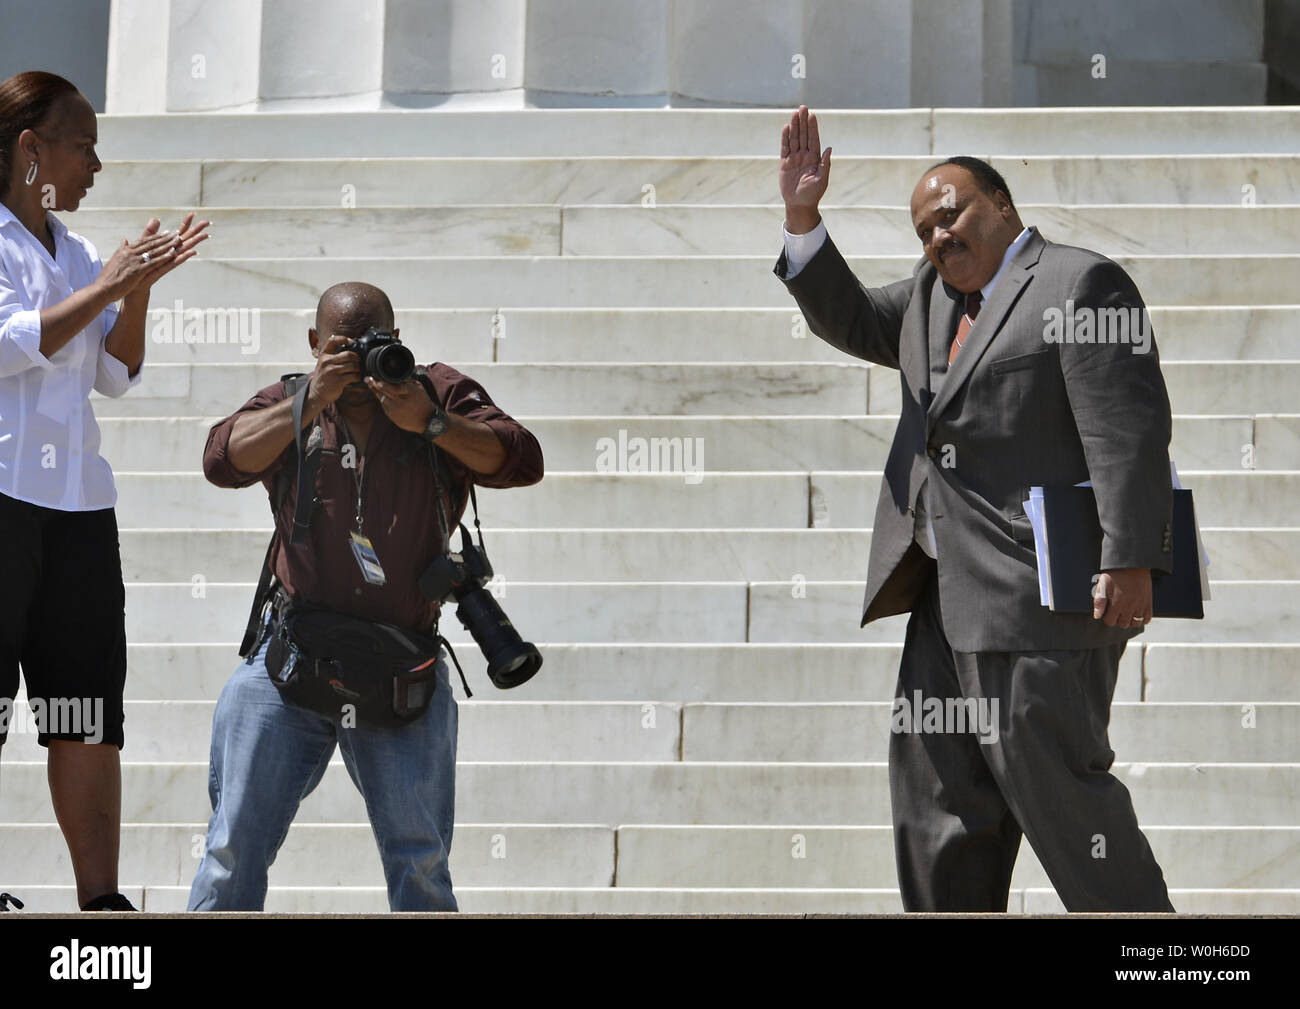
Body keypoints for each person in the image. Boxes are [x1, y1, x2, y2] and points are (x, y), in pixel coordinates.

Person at [774, 106, 1176, 912]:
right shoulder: (929, 299)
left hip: (1040, 602)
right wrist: (802, 218)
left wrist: (1131, 558)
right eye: (923, 229)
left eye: (950, 213)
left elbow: (1127, 433)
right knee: (937, 805)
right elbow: (850, 315)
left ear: (1002, 205)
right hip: (941, 599)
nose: (937, 237)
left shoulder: (1079, 283)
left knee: (1062, 799)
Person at [188, 281, 543, 911]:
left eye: (371, 345)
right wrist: (307, 400)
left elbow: (521, 458)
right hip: (292, 657)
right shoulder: (295, 397)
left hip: (402, 663)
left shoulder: (435, 391)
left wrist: (430, 421)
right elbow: (222, 459)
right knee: (230, 851)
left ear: (397, 341)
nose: (356, 362)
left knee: (422, 862)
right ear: (314, 345)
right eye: (340, 349)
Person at [0, 70, 208, 912]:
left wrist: (140, 287)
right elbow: (12, 342)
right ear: (30, 149)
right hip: (3, 501)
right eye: (82, 144)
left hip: (79, 511)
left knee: (86, 706)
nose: (96, 163)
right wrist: (110, 287)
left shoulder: (80, 253)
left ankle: (100, 900)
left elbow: (117, 373)